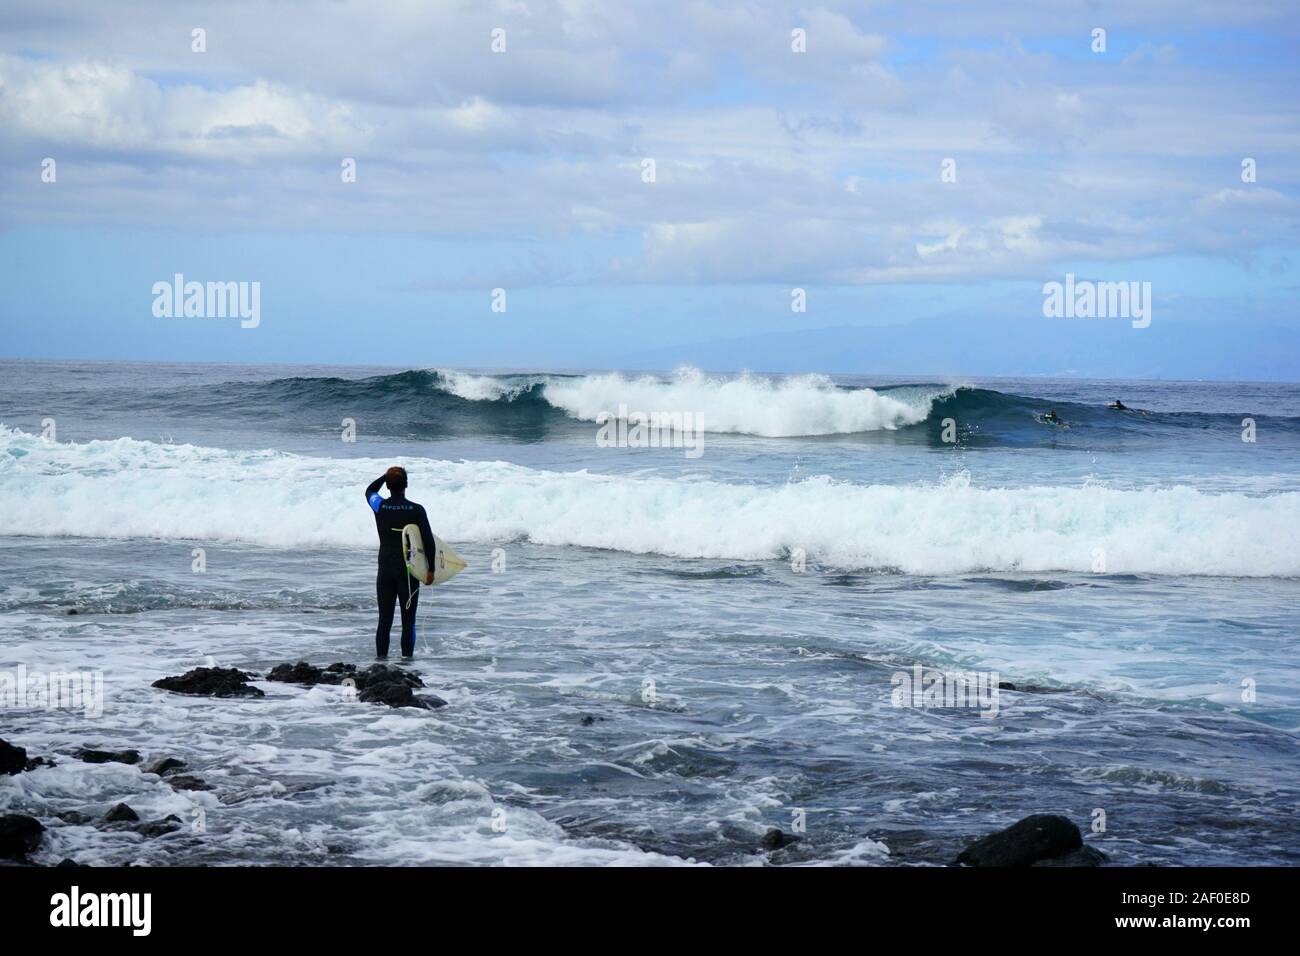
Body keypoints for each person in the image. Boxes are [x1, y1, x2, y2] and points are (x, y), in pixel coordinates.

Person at [365, 466, 435, 660]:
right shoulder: (416, 509)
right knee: (408, 622)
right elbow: (428, 541)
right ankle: (407, 664)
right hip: (409, 572)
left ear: (387, 486)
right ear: (406, 485)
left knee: (384, 621)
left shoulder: (380, 506)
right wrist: (431, 570)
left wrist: (385, 477)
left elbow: (369, 491)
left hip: (385, 571)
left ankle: (380, 662)